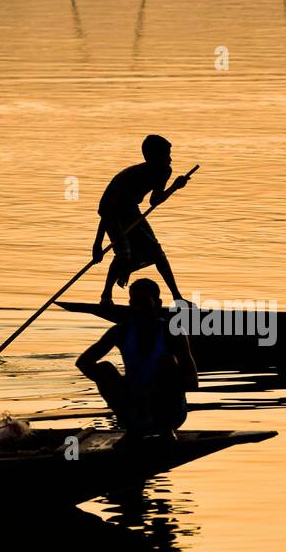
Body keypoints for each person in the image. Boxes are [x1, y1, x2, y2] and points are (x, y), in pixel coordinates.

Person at [76, 278, 198, 439]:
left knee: (166, 361)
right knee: (104, 368)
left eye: (144, 302)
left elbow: (192, 381)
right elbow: (83, 362)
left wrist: (153, 391)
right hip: (133, 408)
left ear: (158, 304)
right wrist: (120, 391)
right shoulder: (120, 331)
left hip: (170, 412)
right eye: (134, 302)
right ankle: (132, 429)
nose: (139, 308)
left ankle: (165, 432)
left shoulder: (173, 332)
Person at [92, 134, 193, 306]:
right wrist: (98, 243)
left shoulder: (164, 172)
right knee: (123, 254)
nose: (170, 159)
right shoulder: (134, 175)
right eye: (166, 155)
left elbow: (155, 200)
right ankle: (106, 297)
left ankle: (177, 297)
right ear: (153, 157)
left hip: (130, 209)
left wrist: (175, 187)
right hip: (112, 211)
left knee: (157, 253)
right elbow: (109, 210)